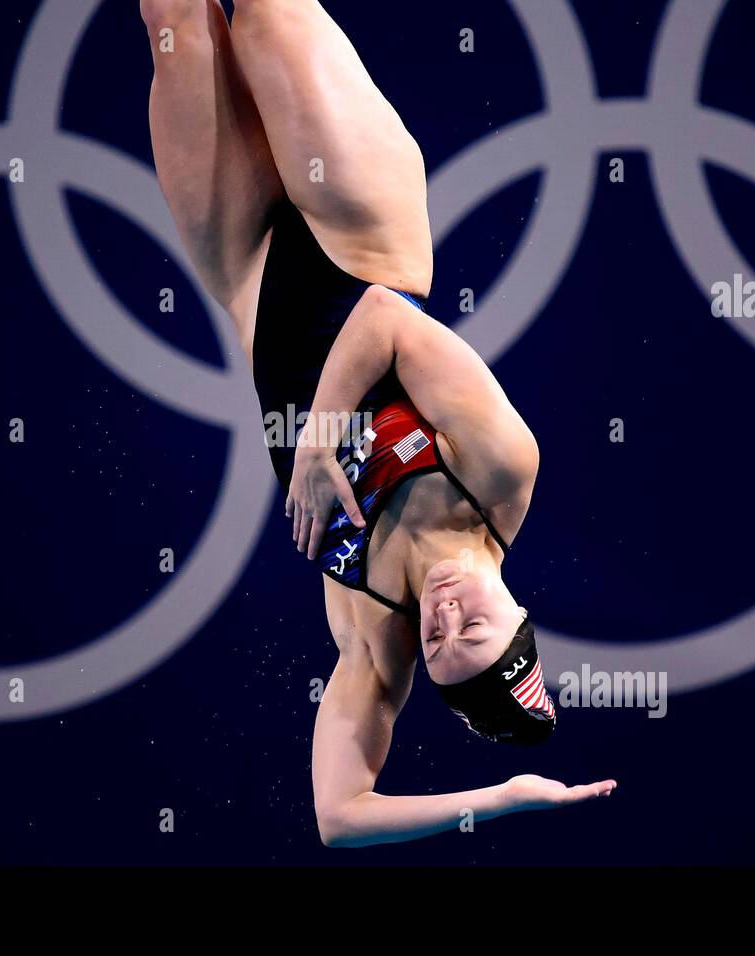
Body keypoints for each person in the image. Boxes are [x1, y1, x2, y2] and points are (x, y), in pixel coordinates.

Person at [141, 0, 615, 847]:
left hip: (247, 275)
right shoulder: (501, 471)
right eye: (473, 625)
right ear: (517, 614)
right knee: (259, 14)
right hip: (361, 230)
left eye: (439, 647)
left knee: (171, 18)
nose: (442, 619)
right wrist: (318, 442)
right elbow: (384, 322)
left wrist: (499, 798)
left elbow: (340, 818)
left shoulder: (374, 638)